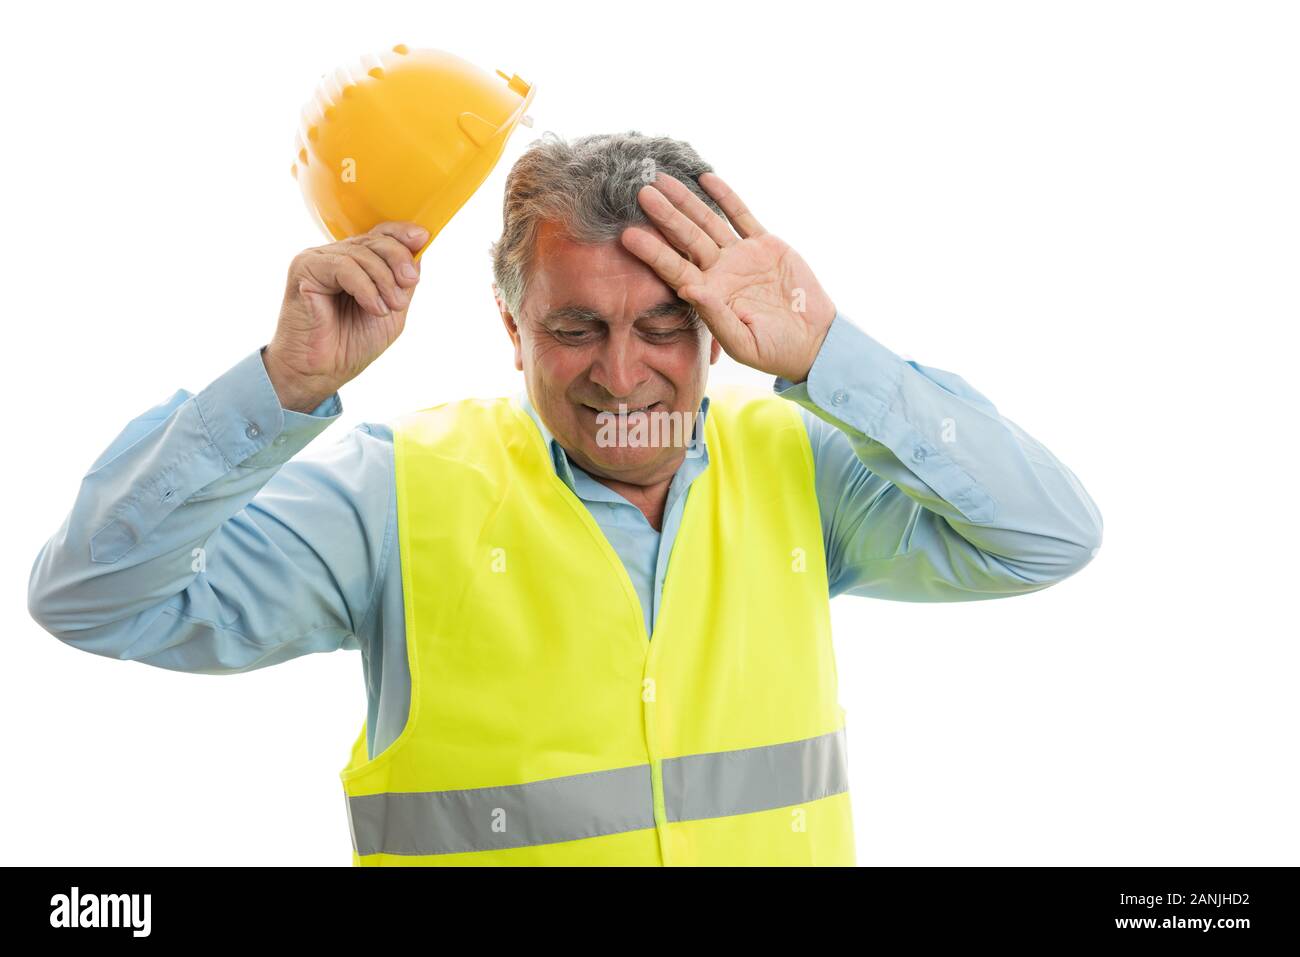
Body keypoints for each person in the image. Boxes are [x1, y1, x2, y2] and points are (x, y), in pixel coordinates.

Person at [27, 131, 1103, 866]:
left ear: (719, 329)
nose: (622, 376)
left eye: (665, 327)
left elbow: (1047, 534)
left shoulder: (800, 465)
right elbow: (92, 597)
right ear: (511, 330)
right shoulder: (394, 494)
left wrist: (830, 354)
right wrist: (282, 387)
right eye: (575, 328)